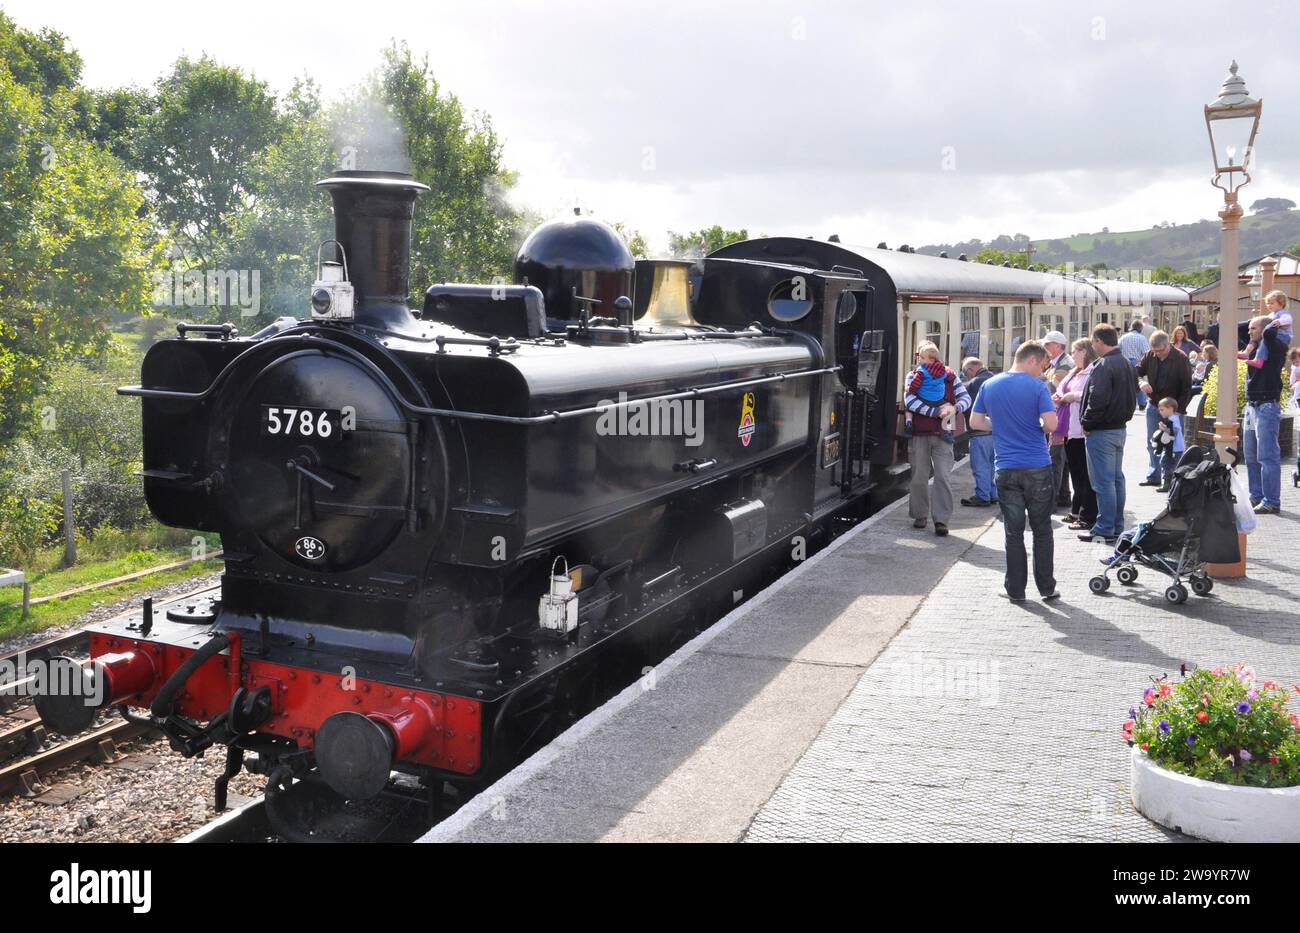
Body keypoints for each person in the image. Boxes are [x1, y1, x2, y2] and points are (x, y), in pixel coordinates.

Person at [968, 341, 1059, 602]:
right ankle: (1046, 588)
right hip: (1037, 468)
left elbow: (975, 422)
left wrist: (1002, 426)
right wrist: (1037, 425)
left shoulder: (989, 384)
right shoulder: (1037, 387)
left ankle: (1016, 590)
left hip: (1006, 469)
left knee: (1013, 532)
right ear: (1031, 360)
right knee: (1042, 530)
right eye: (1042, 365)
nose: (1042, 372)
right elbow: (1051, 424)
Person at [904, 343, 972, 536]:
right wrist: (937, 412)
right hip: (920, 433)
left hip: (944, 433)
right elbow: (910, 401)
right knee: (919, 476)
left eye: (921, 355)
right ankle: (920, 514)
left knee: (943, 476)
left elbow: (965, 399)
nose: (918, 358)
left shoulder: (950, 376)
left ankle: (941, 520)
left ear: (933, 358)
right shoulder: (913, 375)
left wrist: (954, 409)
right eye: (917, 355)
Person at [1079, 323, 1137, 543]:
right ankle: (1116, 525)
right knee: (1116, 480)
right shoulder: (1126, 363)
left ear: (1099, 341)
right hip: (1119, 429)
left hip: (1101, 431)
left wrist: (1087, 422)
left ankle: (1104, 527)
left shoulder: (1104, 365)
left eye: (1094, 342)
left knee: (1103, 482)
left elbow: (1098, 399)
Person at [1134, 331, 1192, 488]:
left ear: (1168, 345)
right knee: (1153, 441)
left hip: (1173, 408)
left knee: (1173, 444)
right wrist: (1140, 382)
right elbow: (1136, 372)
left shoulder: (1181, 358)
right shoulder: (1149, 356)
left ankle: (1172, 477)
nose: (1158, 354)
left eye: (1160, 350)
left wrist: (1178, 410)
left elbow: (1187, 387)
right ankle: (1154, 475)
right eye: (1155, 351)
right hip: (1154, 405)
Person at [1242, 314, 1286, 514]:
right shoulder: (1255, 347)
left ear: (1264, 330)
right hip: (1252, 405)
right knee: (1251, 455)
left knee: (1267, 456)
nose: (1249, 332)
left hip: (1267, 405)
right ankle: (1256, 495)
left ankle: (1271, 501)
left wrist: (1272, 324)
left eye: (1253, 329)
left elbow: (1269, 334)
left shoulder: (1274, 344)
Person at [1053, 338, 1098, 531]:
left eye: (1075, 351)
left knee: (1083, 474)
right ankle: (1076, 510)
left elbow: (1092, 395)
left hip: (1081, 429)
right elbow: (1061, 388)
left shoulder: (1093, 371)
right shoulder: (1074, 371)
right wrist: (1058, 395)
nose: (1072, 355)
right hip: (1069, 428)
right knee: (1075, 473)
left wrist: (1073, 397)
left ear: (1085, 352)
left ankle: (1086, 514)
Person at [960, 357, 997, 507]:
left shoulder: (974, 383)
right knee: (992, 465)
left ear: (970, 370)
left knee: (980, 465)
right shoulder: (996, 379)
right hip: (996, 432)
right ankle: (993, 494)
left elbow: (967, 406)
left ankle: (982, 496)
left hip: (979, 433)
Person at [903, 342, 955, 440]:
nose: (918, 359)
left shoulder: (921, 372)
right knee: (950, 409)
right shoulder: (944, 371)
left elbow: (914, 387)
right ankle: (948, 432)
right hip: (938, 400)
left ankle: (909, 422)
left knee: (908, 407)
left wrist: (908, 388)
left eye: (921, 357)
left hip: (923, 398)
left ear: (931, 360)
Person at [1150, 397, 1186, 493]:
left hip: (1175, 449)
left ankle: (1168, 484)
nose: (1160, 412)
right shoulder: (1172, 418)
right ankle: (1170, 484)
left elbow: (1175, 431)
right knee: (1168, 464)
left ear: (1170, 408)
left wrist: (1164, 429)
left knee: (1167, 464)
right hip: (1173, 448)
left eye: (1162, 410)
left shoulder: (1173, 419)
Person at [1118, 320, 1150, 410]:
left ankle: (1126, 402)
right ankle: (1142, 403)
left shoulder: (1123, 337)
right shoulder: (1142, 338)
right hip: (1137, 362)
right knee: (1138, 383)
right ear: (1140, 328)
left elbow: (1118, 348)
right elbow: (1146, 352)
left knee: (1125, 383)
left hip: (1125, 361)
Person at [1289, 346, 1300, 414]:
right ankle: (1295, 400)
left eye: (1297, 361)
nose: (1296, 364)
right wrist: (1292, 383)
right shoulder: (1294, 368)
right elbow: (1292, 377)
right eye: (1294, 363)